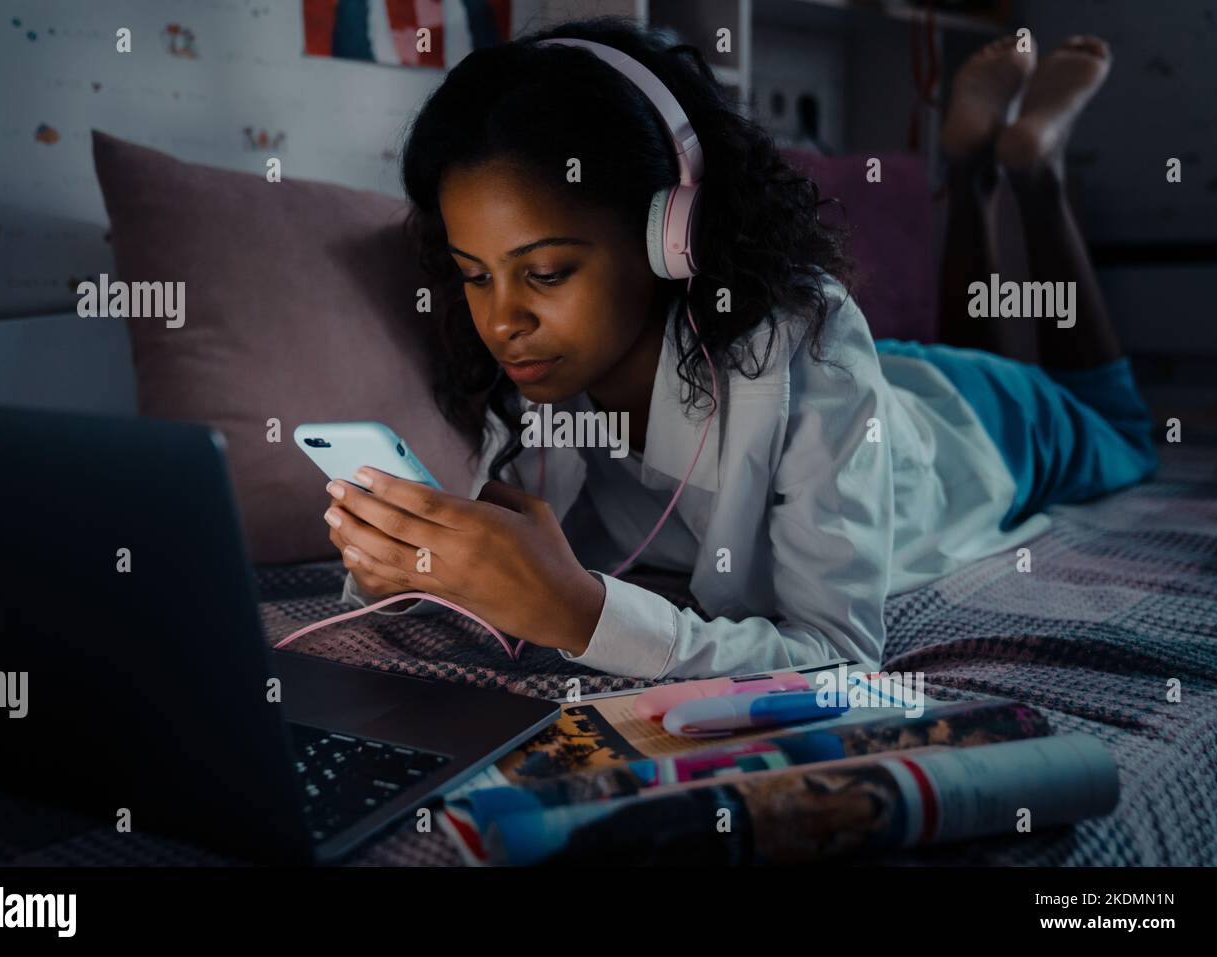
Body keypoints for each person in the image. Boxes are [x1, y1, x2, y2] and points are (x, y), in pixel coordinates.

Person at [320, 20, 1158, 679]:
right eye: (474, 275)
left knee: (1118, 424)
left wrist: (583, 612)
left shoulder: (807, 349)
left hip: (971, 430)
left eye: (544, 271)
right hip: (880, 379)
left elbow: (838, 654)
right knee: (976, 330)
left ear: (669, 236)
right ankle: (977, 161)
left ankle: (1032, 167)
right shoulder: (540, 376)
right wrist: (407, 561)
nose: (502, 321)